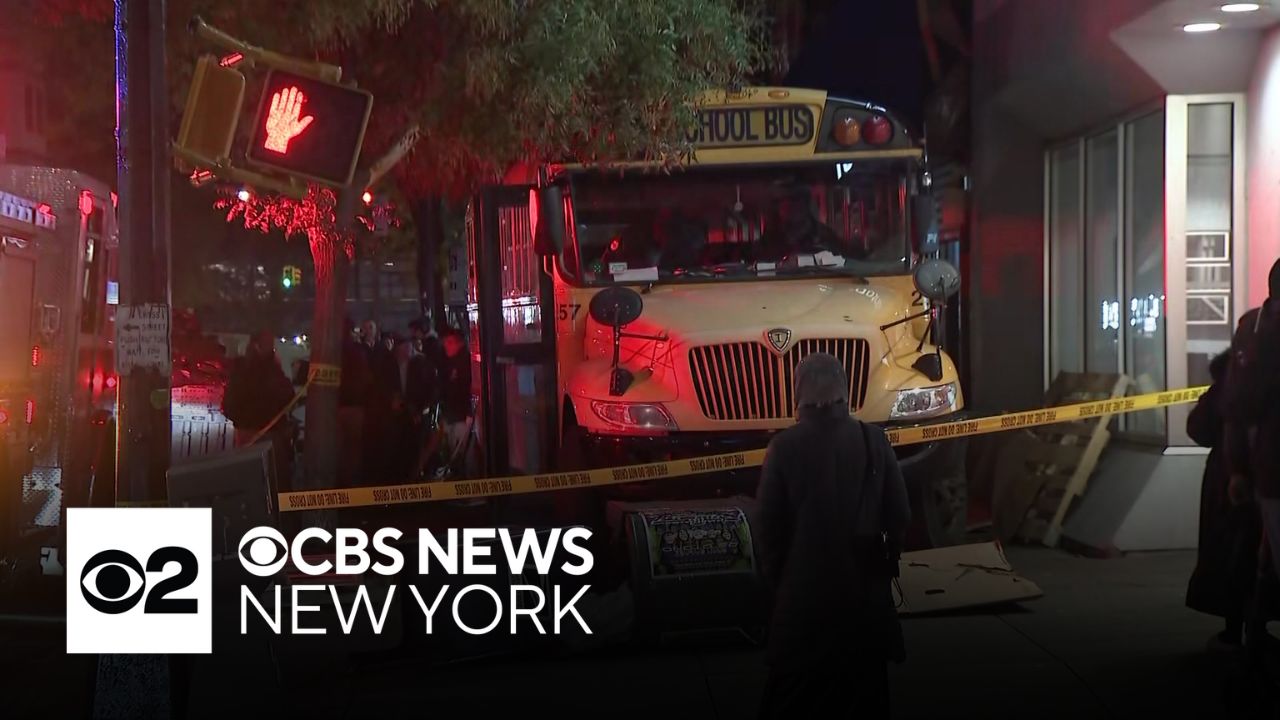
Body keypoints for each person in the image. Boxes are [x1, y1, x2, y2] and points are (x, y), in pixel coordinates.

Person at [756, 352, 909, 718]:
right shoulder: (874, 441)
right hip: (864, 604)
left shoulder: (784, 447)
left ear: (798, 394)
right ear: (845, 392)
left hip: (804, 606)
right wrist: (884, 565)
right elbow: (900, 514)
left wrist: (784, 583)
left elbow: (767, 528)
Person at [1225, 258, 1280, 659]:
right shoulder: (1260, 332)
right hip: (1271, 464)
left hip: (1267, 465)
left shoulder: (1254, 328)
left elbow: (1238, 407)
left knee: (1267, 548)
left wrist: (1239, 468)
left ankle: (1254, 628)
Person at [1186, 351, 1260, 648]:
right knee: (1257, 554)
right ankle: (1256, 625)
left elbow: (1198, 429)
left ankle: (1234, 627)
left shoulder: (1224, 387)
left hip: (1226, 479)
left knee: (1232, 553)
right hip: (1263, 477)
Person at [221, 330, 296, 487]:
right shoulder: (270, 370)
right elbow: (288, 394)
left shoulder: (241, 368)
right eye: (269, 344)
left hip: (247, 433)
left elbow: (228, 404)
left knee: (247, 482)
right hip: (268, 434)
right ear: (258, 345)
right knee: (274, 482)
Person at [368, 335, 433, 482]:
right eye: (403, 348)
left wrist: (418, 409)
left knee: (414, 446)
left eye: (409, 347)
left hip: (415, 413)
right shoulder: (389, 365)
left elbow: (427, 389)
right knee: (397, 446)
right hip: (396, 414)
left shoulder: (420, 364)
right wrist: (391, 400)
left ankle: (413, 476)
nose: (407, 351)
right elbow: (381, 386)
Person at [421, 327, 473, 477]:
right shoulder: (448, 362)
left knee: (461, 451)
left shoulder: (465, 363)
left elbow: (465, 389)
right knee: (453, 450)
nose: (446, 346)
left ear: (460, 343)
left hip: (461, 416)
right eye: (445, 343)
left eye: (450, 342)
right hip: (451, 414)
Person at [757, 183, 842, 264]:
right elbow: (758, 266)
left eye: (795, 200)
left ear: (806, 204)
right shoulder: (770, 238)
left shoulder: (825, 235)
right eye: (783, 202)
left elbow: (839, 264)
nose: (790, 206)